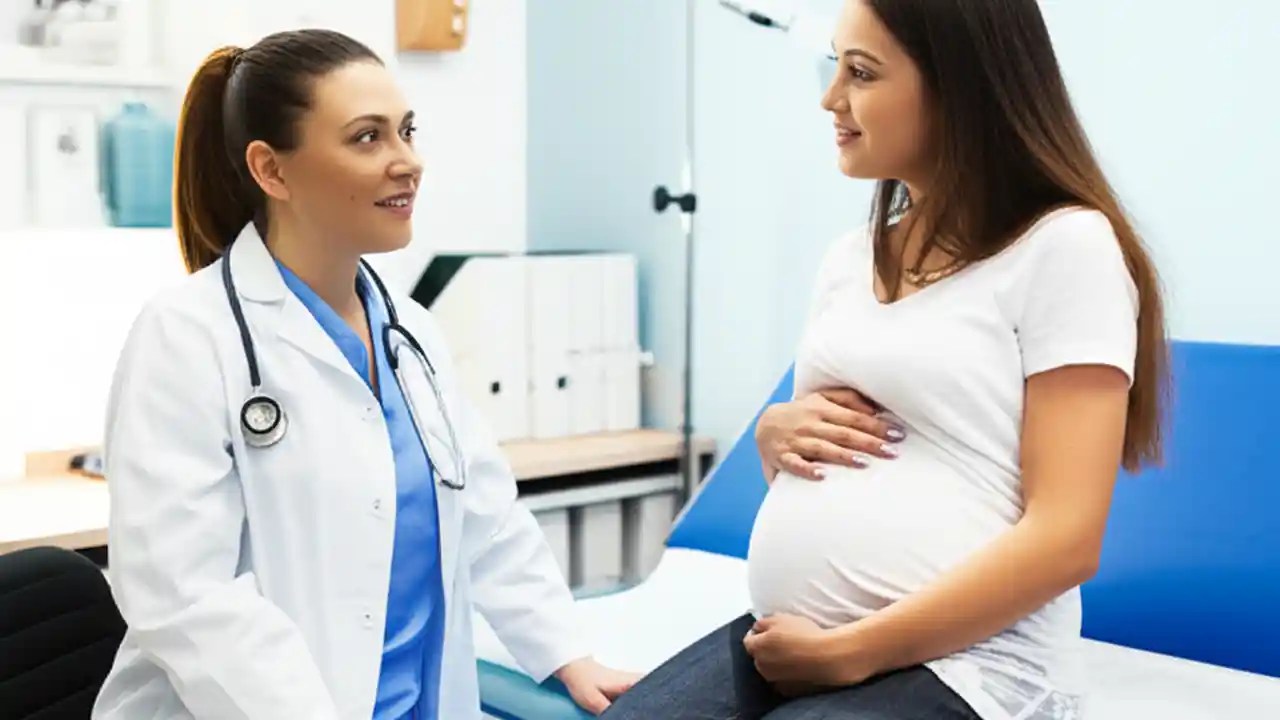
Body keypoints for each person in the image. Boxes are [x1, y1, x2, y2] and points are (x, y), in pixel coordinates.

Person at [603, 0, 1167, 718]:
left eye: (861, 73)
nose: (830, 98)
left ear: (960, 87)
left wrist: (851, 652)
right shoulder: (848, 260)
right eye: (835, 65)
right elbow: (838, 454)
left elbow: (1067, 541)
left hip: (975, 664)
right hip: (798, 637)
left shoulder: (1067, 248)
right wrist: (774, 435)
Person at [91, 29, 636, 720]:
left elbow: (486, 516)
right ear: (272, 171)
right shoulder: (188, 336)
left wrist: (567, 654)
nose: (407, 162)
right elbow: (183, 594)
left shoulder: (410, 331)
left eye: (406, 131)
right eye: (367, 138)